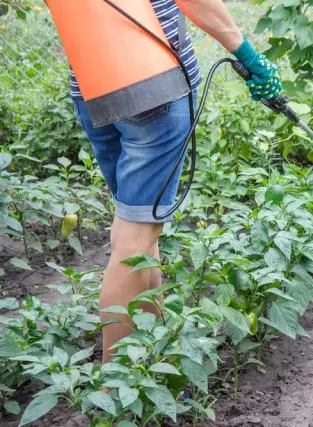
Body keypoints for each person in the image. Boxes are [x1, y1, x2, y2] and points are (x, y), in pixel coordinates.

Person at [68, 0, 281, 363]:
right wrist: (248, 54)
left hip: (89, 85)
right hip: (152, 87)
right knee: (133, 244)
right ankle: (112, 390)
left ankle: (157, 357)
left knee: (137, 231)